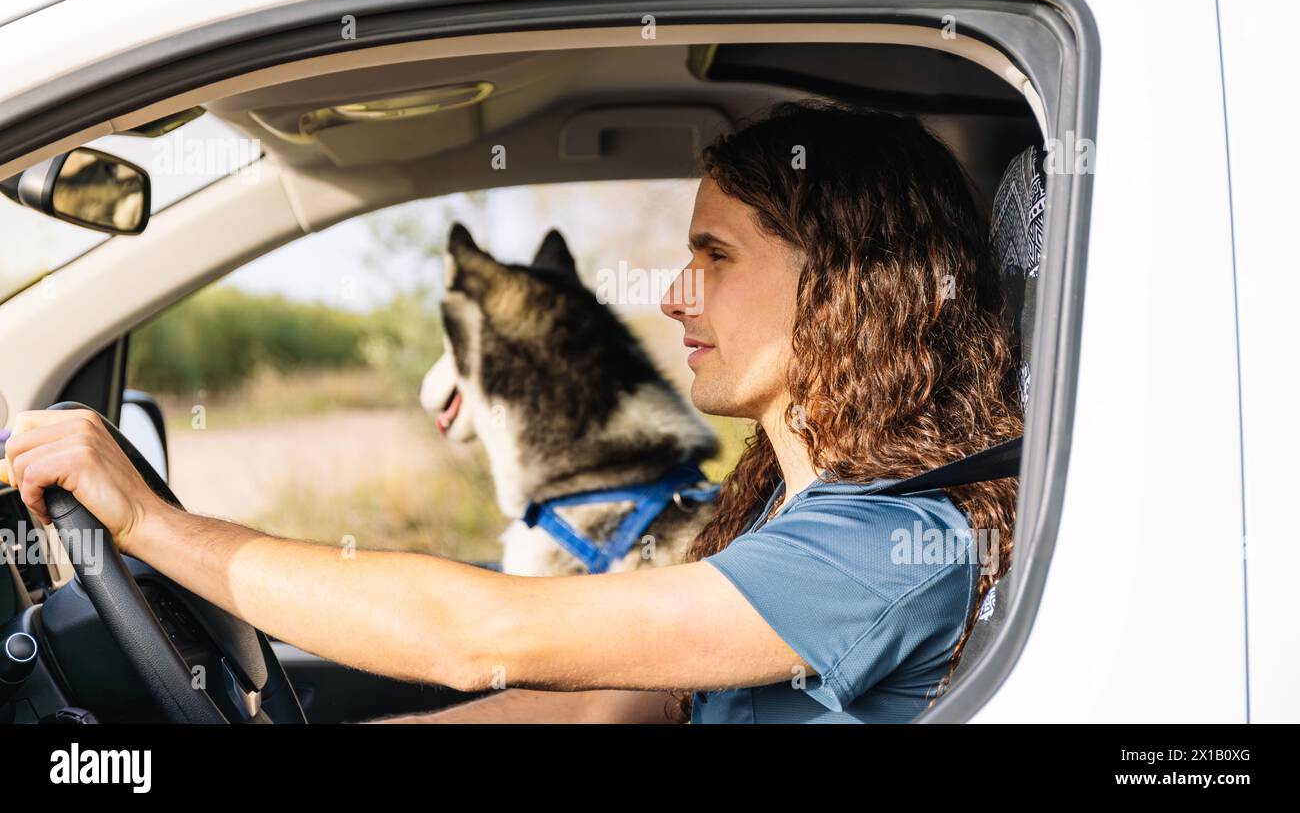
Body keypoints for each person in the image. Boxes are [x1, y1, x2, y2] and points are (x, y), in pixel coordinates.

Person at [0, 100, 1023, 724]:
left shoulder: (885, 543)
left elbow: (477, 631)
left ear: (847, 283)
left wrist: (154, 526)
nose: (672, 294)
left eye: (714, 256)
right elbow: (637, 703)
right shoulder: (786, 511)